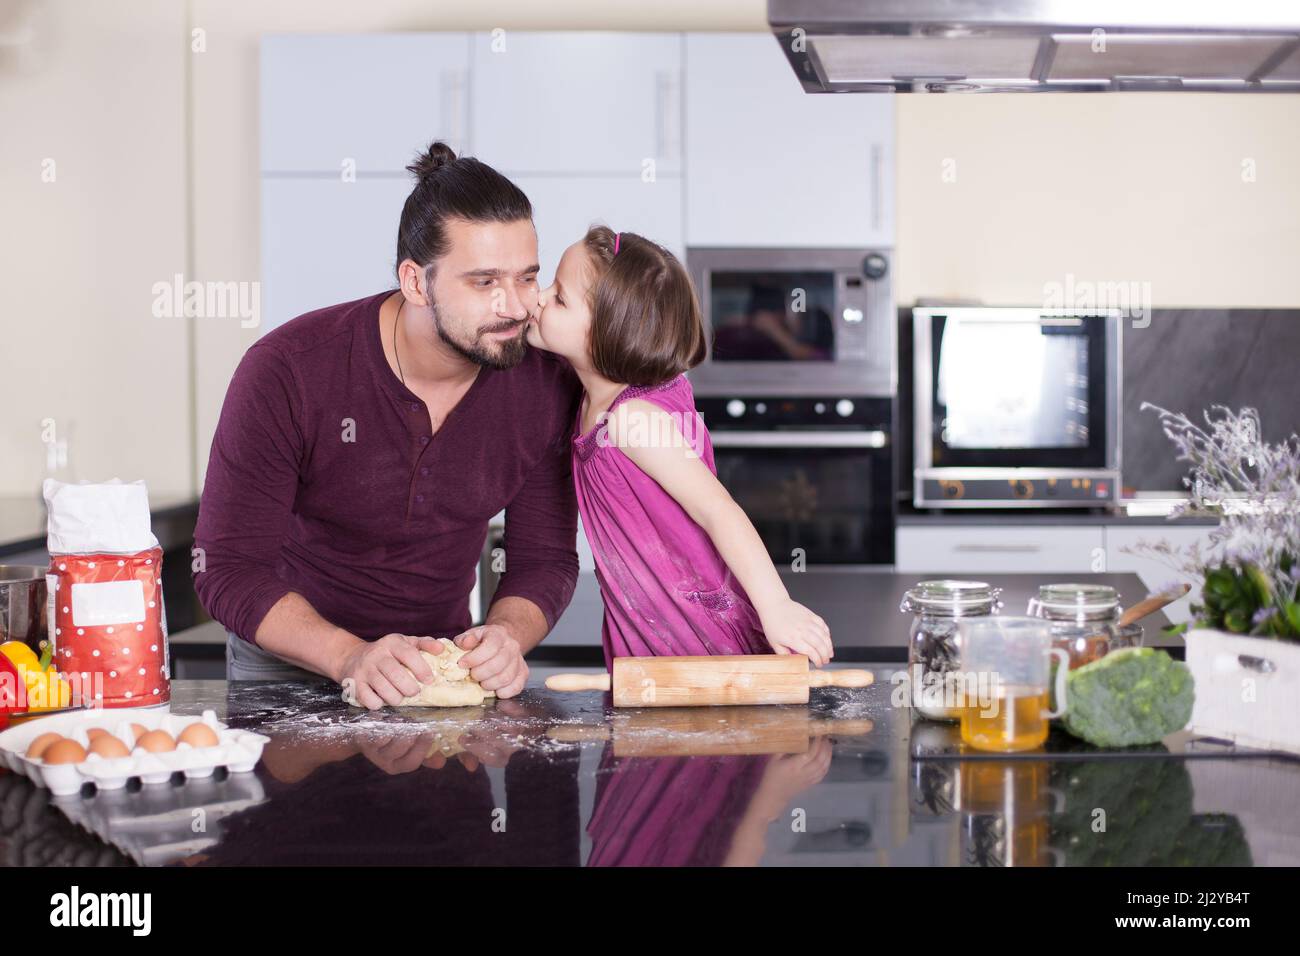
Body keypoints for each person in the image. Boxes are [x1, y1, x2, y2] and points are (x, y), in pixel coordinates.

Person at [194, 142, 581, 708]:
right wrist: (348, 656)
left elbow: (544, 560)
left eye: (527, 278)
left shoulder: (545, 383)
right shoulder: (288, 369)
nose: (518, 306)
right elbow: (226, 568)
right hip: (288, 670)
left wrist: (506, 636)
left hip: (436, 674)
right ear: (415, 282)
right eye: (484, 282)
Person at [525, 226, 833, 668]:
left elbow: (718, 509)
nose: (539, 296)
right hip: (650, 633)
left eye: (559, 298)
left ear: (606, 335)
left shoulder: (631, 420)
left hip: (697, 638)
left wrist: (777, 607)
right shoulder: (594, 390)